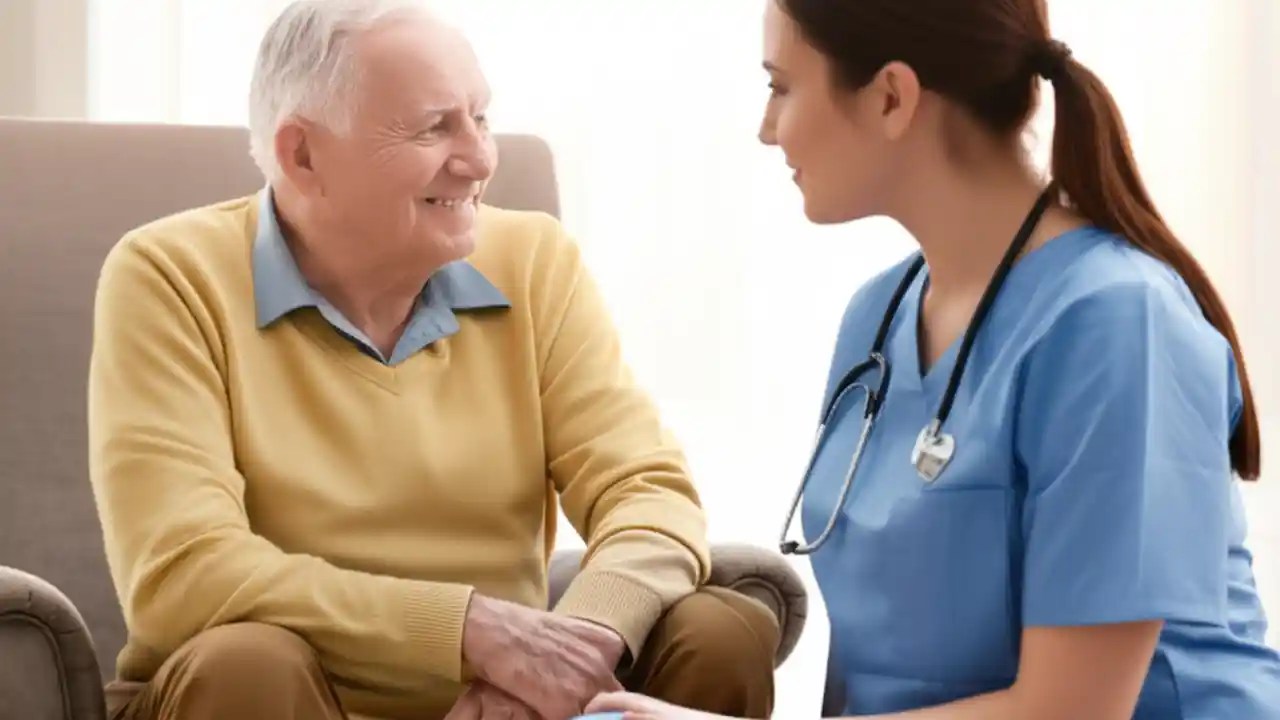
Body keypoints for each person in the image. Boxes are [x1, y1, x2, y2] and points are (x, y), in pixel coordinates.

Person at [586, 0, 1280, 719]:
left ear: (891, 97)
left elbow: (1073, 710)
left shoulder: (1116, 324)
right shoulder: (878, 317)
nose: (767, 129)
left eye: (782, 87)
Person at [86, 2, 779, 719]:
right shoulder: (169, 275)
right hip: (267, 697)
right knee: (247, 662)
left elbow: (650, 493)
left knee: (718, 631)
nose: (480, 158)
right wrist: (472, 631)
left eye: (479, 116)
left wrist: (570, 650)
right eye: (434, 126)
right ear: (303, 155)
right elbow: (184, 576)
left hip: (511, 705)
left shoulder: (534, 261)